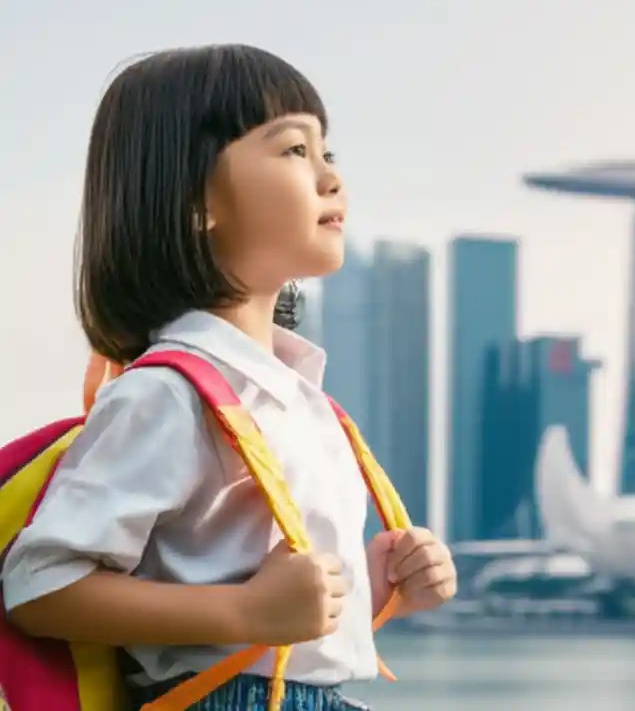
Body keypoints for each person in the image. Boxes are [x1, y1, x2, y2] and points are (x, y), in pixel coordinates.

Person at [0, 44, 456, 710]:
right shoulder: (169, 392)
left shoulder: (302, 399)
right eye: (294, 150)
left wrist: (380, 589)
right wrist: (245, 613)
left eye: (328, 152)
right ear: (194, 203)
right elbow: (39, 585)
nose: (331, 178)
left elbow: (276, 601)